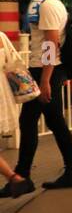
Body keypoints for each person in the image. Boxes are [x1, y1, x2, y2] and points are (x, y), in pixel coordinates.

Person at [13, 0, 72, 192]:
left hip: (48, 70)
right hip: (42, 69)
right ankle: (69, 171)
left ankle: (22, 178)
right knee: (51, 121)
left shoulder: (48, 4)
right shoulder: (37, 1)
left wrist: (45, 81)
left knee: (32, 121)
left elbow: (51, 44)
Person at [0, 33, 35, 197]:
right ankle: (14, 177)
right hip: (3, 93)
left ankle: (15, 178)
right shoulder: (1, 36)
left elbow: (50, 46)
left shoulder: (49, 10)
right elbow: (12, 62)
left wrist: (48, 75)